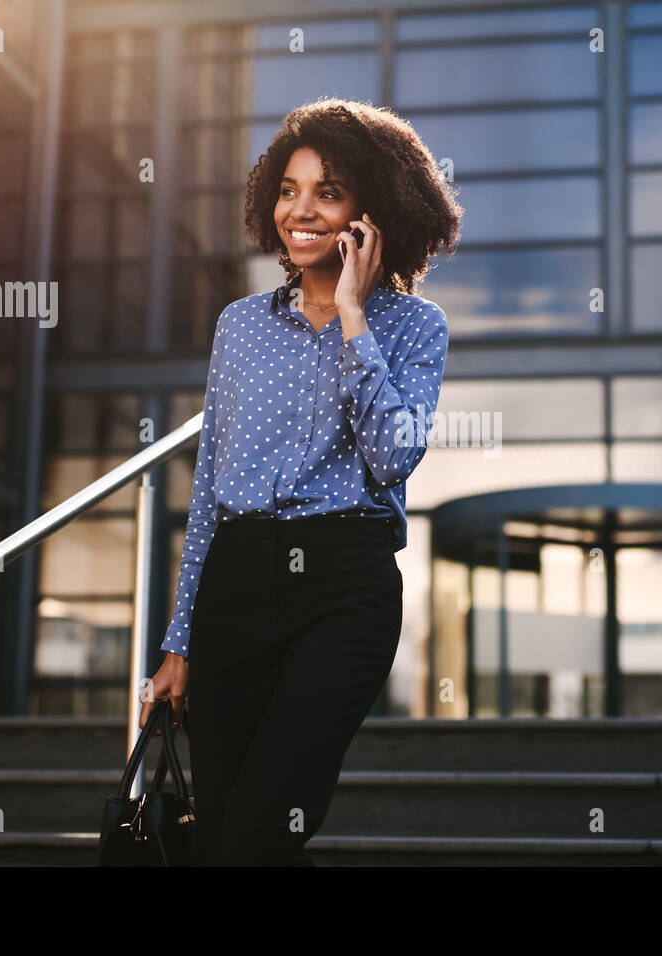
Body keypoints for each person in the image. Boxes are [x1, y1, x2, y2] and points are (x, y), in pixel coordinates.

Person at [137, 98, 462, 865]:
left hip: (344, 589)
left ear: (374, 211)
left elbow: (394, 457)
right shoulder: (240, 324)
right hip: (237, 586)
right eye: (289, 188)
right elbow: (213, 483)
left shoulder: (416, 327)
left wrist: (352, 315)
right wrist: (179, 642)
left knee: (263, 826)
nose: (302, 210)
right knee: (220, 832)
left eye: (329, 190)